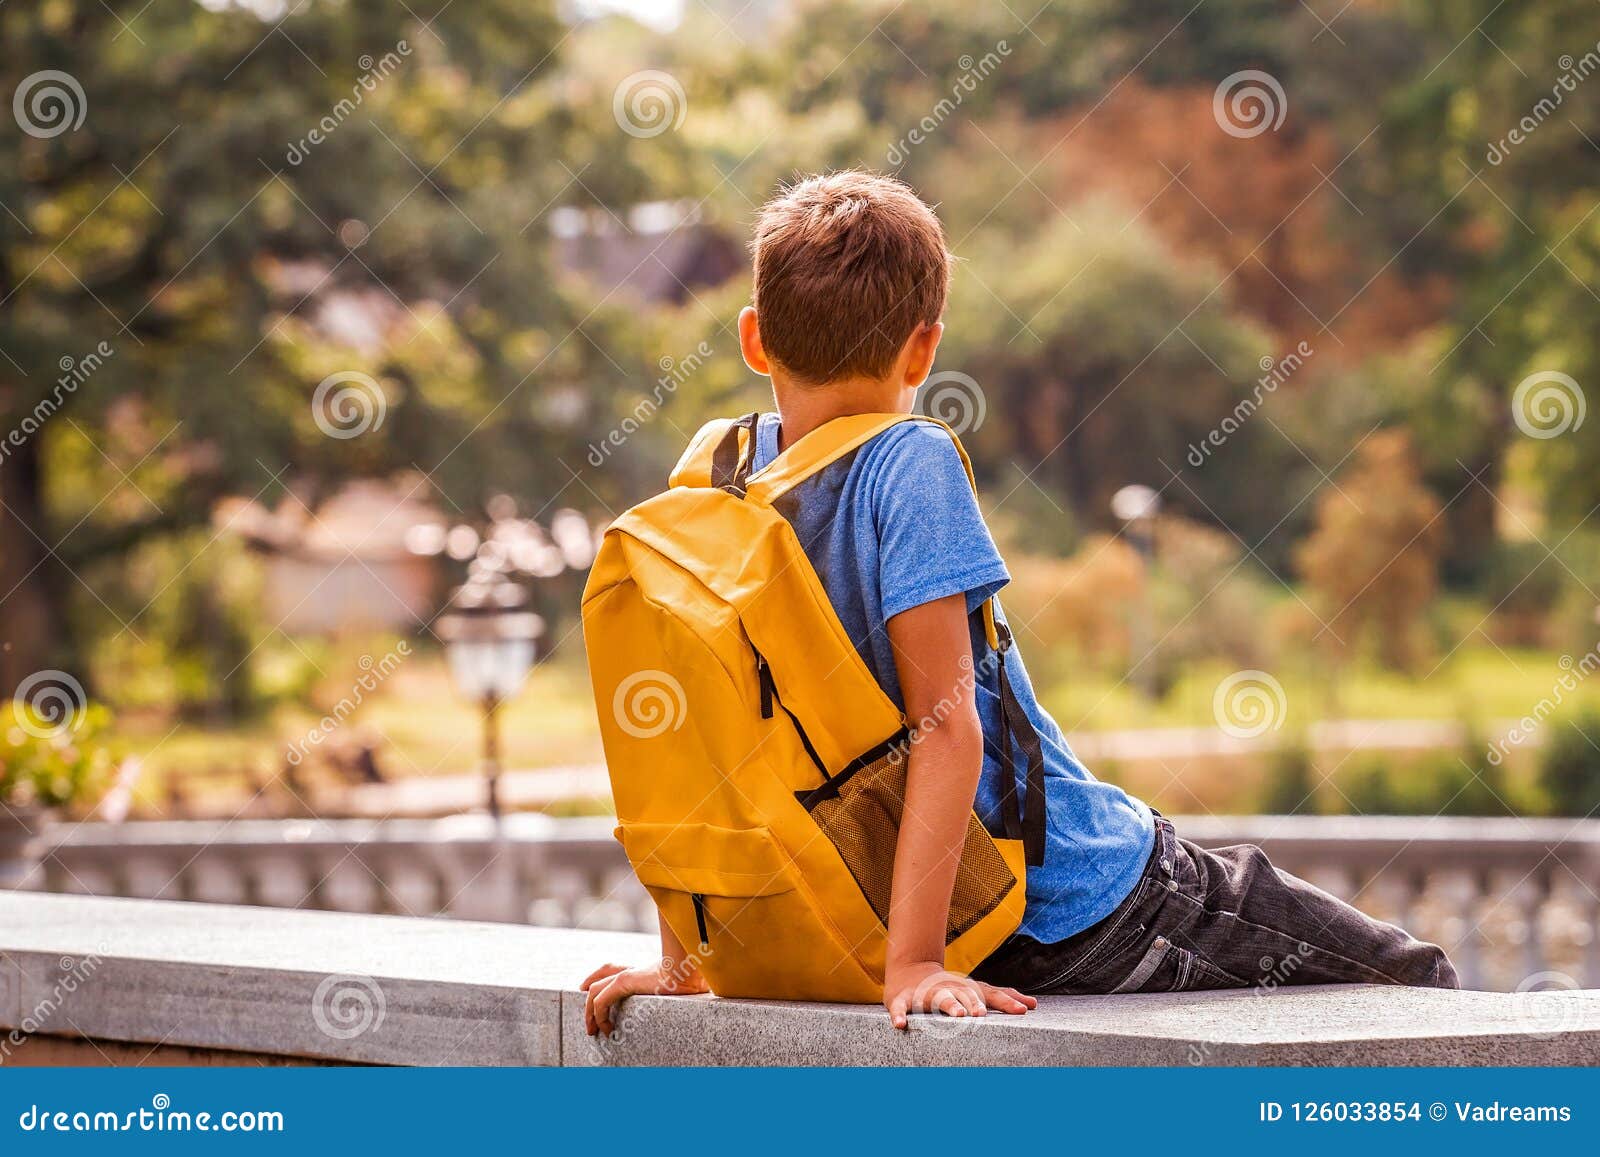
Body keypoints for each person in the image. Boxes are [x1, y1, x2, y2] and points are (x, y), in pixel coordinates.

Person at [582, 170, 1455, 1037]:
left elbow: (705, 742)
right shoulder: (907, 463)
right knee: (1414, 981)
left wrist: (692, 953)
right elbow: (947, 724)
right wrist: (919, 963)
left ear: (753, 338)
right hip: (1068, 902)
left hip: (855, 914)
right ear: (923, 351)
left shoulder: (714, 473)